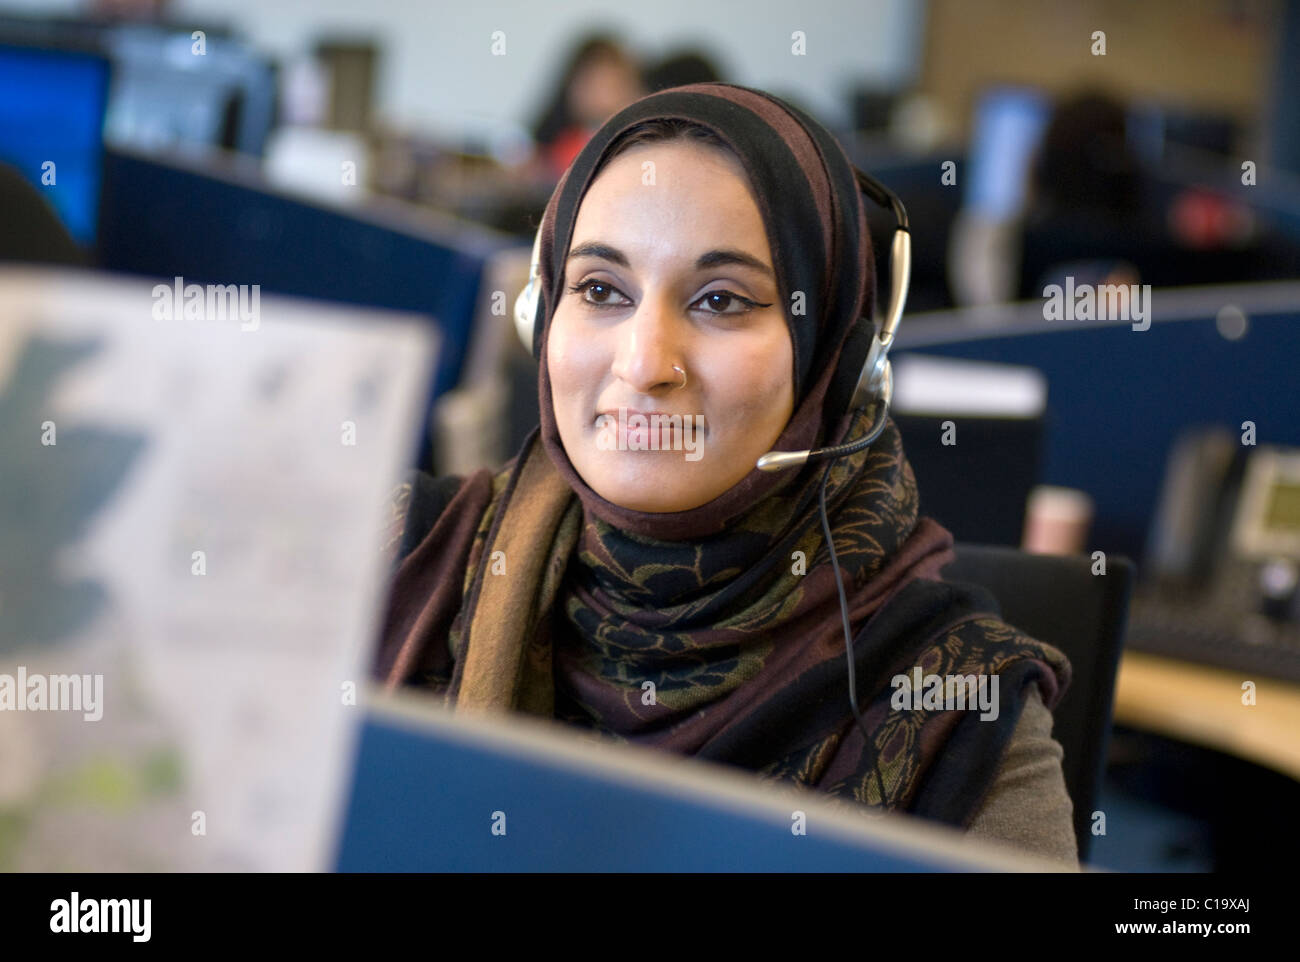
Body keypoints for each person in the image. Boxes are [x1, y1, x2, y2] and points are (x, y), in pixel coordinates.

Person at [376, 82, 1078, 866]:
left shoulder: (955, 705)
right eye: (601, 290)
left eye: (720, 300)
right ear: (541, 320)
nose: (645, 364)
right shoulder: (397, 553)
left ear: (835, 360)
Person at [529, 34, 646, 181]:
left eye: (611, 87)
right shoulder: (554, 152)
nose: (601, 97)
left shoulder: (646, 148)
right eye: (591, 86)